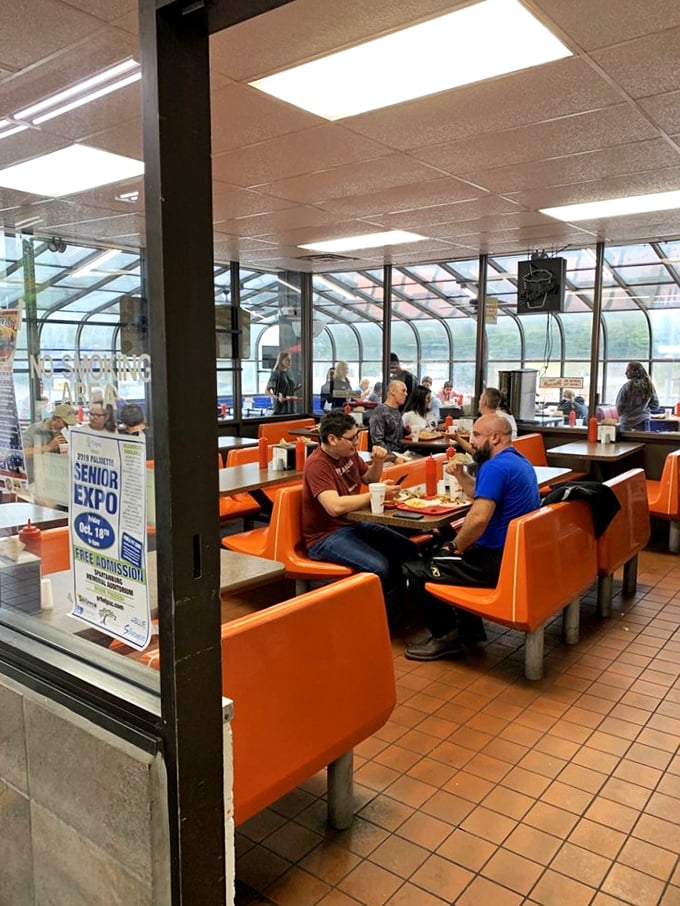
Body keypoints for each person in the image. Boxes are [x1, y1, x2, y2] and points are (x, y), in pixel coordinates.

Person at [403, 414, 540, 660]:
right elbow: (482, 492)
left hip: (495, 561)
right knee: (443, 550)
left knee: (417, 568)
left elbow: (478, 519)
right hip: (515, 555)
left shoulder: (494, 467)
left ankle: (446, 637)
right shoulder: (518, 461)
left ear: (495, 438)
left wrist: (454, 547)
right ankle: (470, 632)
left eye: (476, 435)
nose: (471, 441)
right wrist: (461, 475)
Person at [302, 411, 419, 599]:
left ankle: (399, 603)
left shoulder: (349, 453)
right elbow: (334, 507)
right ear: (332, 439)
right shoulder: (317, 464)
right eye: (351, 438)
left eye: (356, 436)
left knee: (408, 549)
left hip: (352, 523)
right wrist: (374, 495)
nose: (356, 442)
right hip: (324, 536)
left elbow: (369, 478)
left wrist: (379, 462)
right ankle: (380, 616)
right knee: (379, 566)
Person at [22, 404, 77, 480]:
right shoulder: (33, 431)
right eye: (64, 424)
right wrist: (48, 447)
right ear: (54, 419)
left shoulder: (61, 433)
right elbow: (24, 453)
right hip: (34, 480)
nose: (66, 428)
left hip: (53, 479)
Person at [616, 361, 659, 430]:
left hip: (626, 423)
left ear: (636, 372)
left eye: (628, 371)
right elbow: (655, 405)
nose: (625, 373)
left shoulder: (626, 387)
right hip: (643, 421)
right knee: (643, 441)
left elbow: (619, 408)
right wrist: (644, 408)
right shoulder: (649, 386)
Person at [368, 380, 408, 454]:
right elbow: (377, 442)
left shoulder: (396, 411)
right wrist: (394, 458)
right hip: (387, 457)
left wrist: (407, 431)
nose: (406, 394)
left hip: (400, 453)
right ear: (392, 391)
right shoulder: (380, 411)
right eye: (403, 391)